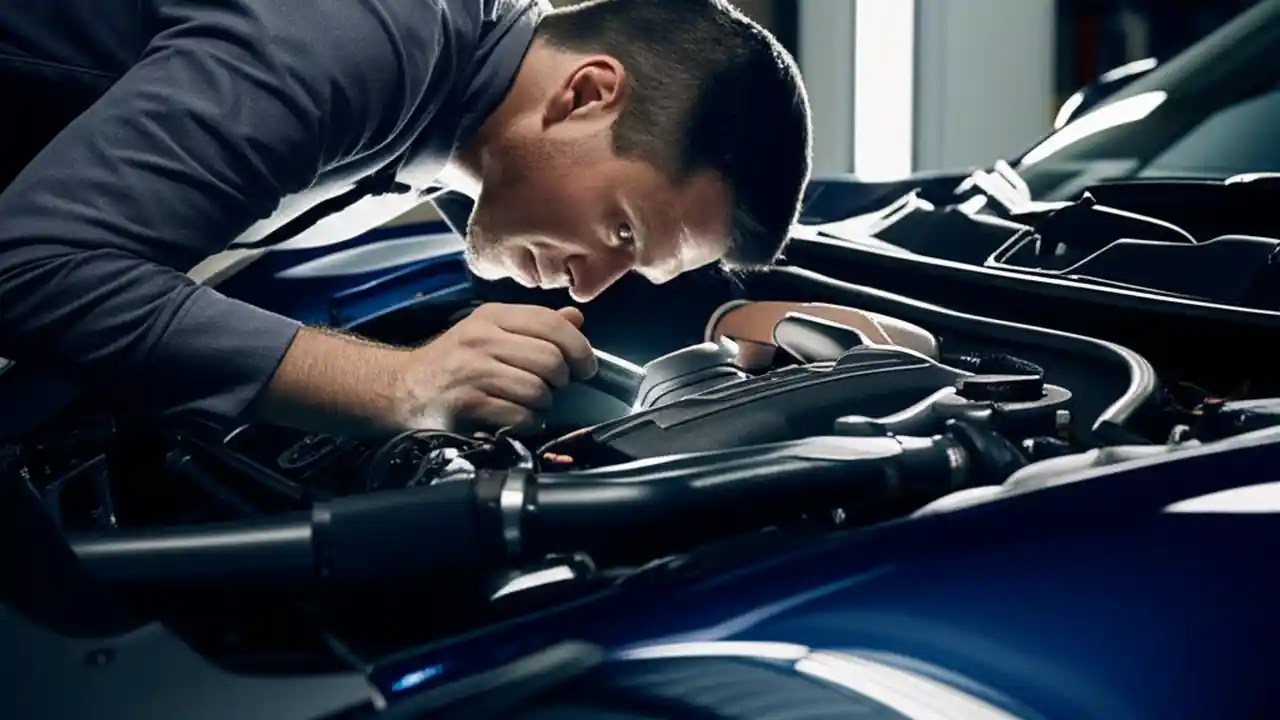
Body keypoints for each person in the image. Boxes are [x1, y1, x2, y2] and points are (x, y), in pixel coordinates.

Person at [0, 0, 812, 436]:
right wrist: (398, 385)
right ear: (587, 95)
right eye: (622, 235)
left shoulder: (434, 124)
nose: (593, 285)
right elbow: (34, 262)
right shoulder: (365, 30)